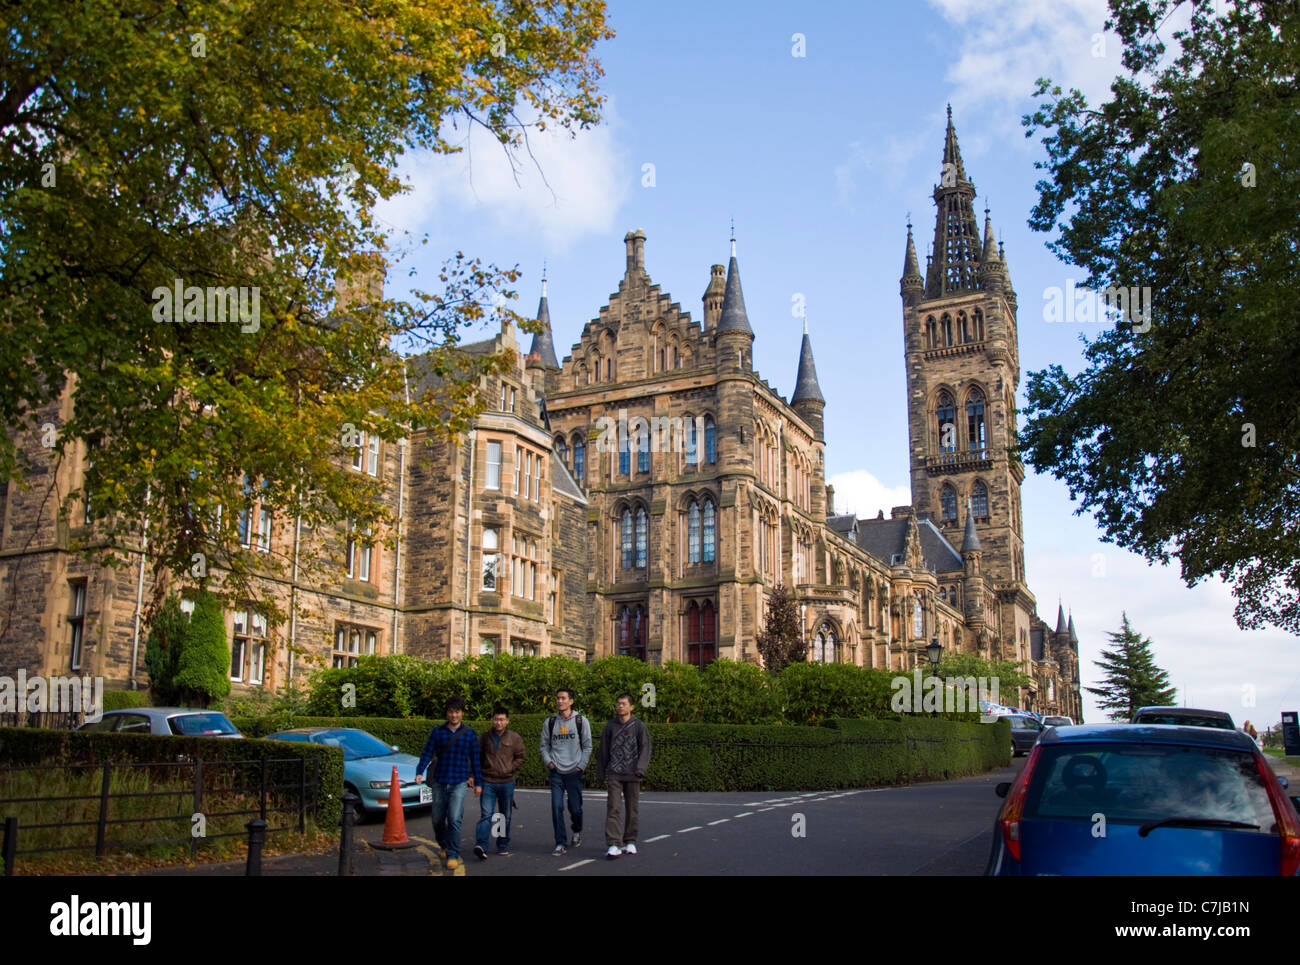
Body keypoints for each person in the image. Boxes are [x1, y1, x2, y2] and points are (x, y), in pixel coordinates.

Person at [415, 695, 483, 870]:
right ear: (447, 713)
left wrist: (478, 783)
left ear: (462, 713)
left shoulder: (469, 734)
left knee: (454, 819)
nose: (454, 715)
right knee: (437, 819)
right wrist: (419, 771)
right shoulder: (438, 732)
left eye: (457, 712)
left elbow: (475, 759)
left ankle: (453, 853)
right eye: (451, 712)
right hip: (439, 781)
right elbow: (427, 753)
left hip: (459, 782)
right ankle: (444, 844)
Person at [597, 693, 652, 859]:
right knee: (613, 807)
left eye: (624, 703)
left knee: (632, 809)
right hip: (615, 773)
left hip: (633, 773)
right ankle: (614, 843)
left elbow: (645, 748)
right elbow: (603, 751)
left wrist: (640, 768)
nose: (620, 706)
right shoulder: (610, 726)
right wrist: (601, 773)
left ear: (631, 707)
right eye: (618, 703)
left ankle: (630, 840)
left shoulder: (639, 726)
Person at [540, 687, 591, 855]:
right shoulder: (550, 722)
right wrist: (549, 762)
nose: (559, 701)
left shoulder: (581, 721)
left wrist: (580, 766)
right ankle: (560, 842)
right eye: (558, 698)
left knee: (575, 808)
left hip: (574, 772)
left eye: (563, 698)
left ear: (571, 701)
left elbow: (587, 746)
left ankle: (577, 830)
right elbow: (544, 746)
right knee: (556, 807)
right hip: (556, 772)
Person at [474, 704, 525, 860]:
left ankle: (502, 844)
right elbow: (476, 758)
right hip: (488, 780)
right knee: (486, 814)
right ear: (492, 720)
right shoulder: (484, 737)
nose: (499, 723)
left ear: (507, 721)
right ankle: (481, 845)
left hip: (507, 782)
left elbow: (521, 757)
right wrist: (474, 777)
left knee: (503, 816)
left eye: (502, 720)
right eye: (496, 719)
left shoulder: (514, 738)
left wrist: (510, 768)